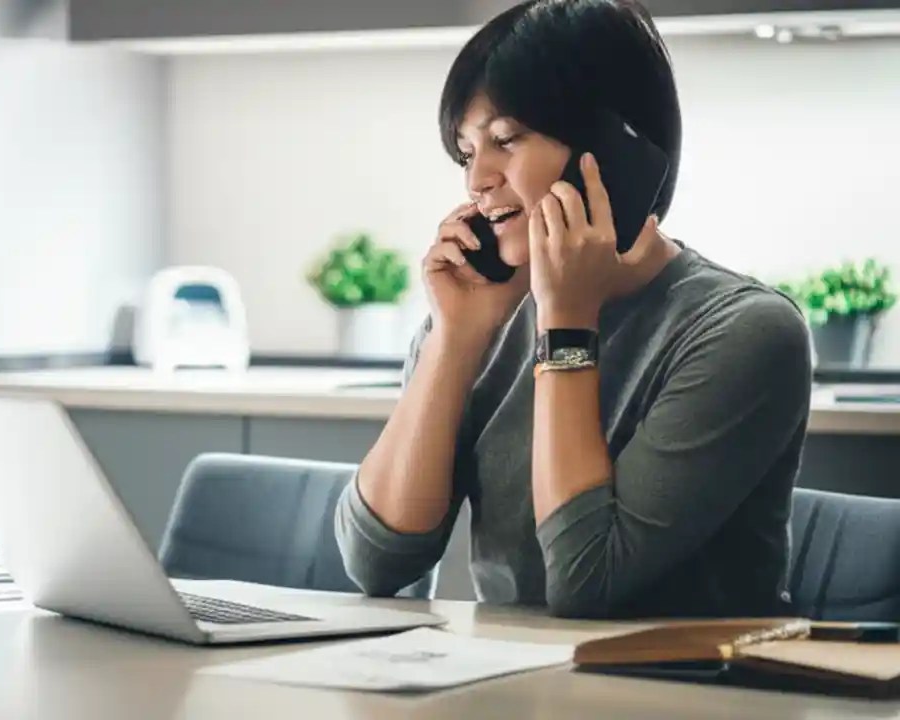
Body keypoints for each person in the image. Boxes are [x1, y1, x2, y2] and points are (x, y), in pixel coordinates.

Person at [334, 0, 811, 619]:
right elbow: (376, 563)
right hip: (515, 686)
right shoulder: (485, 316)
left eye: (505, 140)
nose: (477, 180)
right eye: (465, 152)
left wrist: (566, 323)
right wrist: (453, 342)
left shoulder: (745, 331)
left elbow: (588, 583)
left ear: (611, 150)